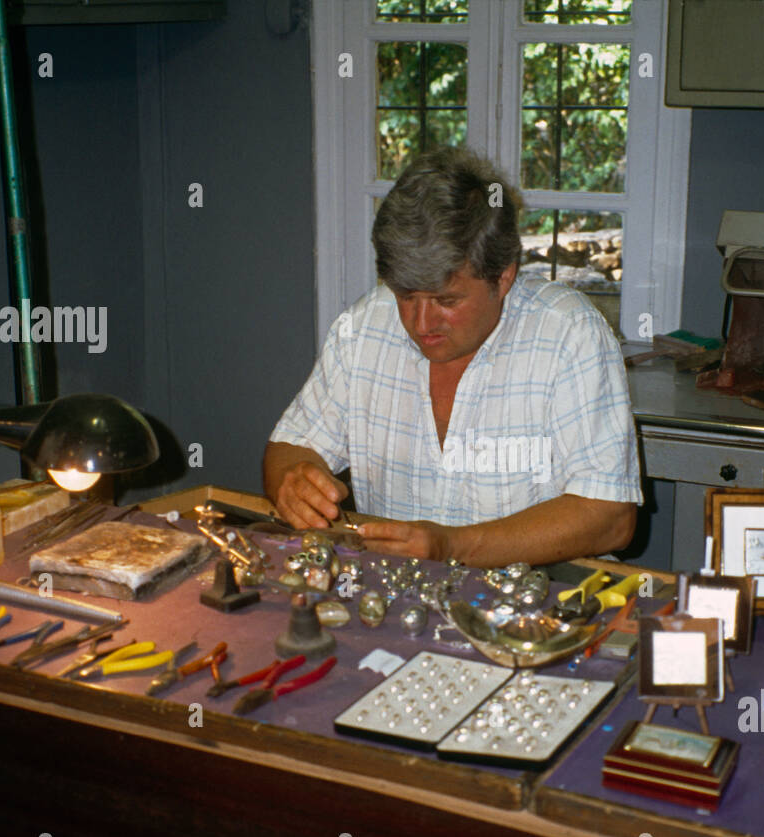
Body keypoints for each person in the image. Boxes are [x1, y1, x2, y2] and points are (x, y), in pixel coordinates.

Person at [264, 146, 641, 567]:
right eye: (406, 295)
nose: (421, 322)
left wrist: (452, 547)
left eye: (446, 299)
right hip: (396, 601)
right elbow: (290, 447)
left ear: (504, 277)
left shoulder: (569, 334)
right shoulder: (364, 327)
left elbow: (611, 517)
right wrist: (292, 481)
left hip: (539, 609)